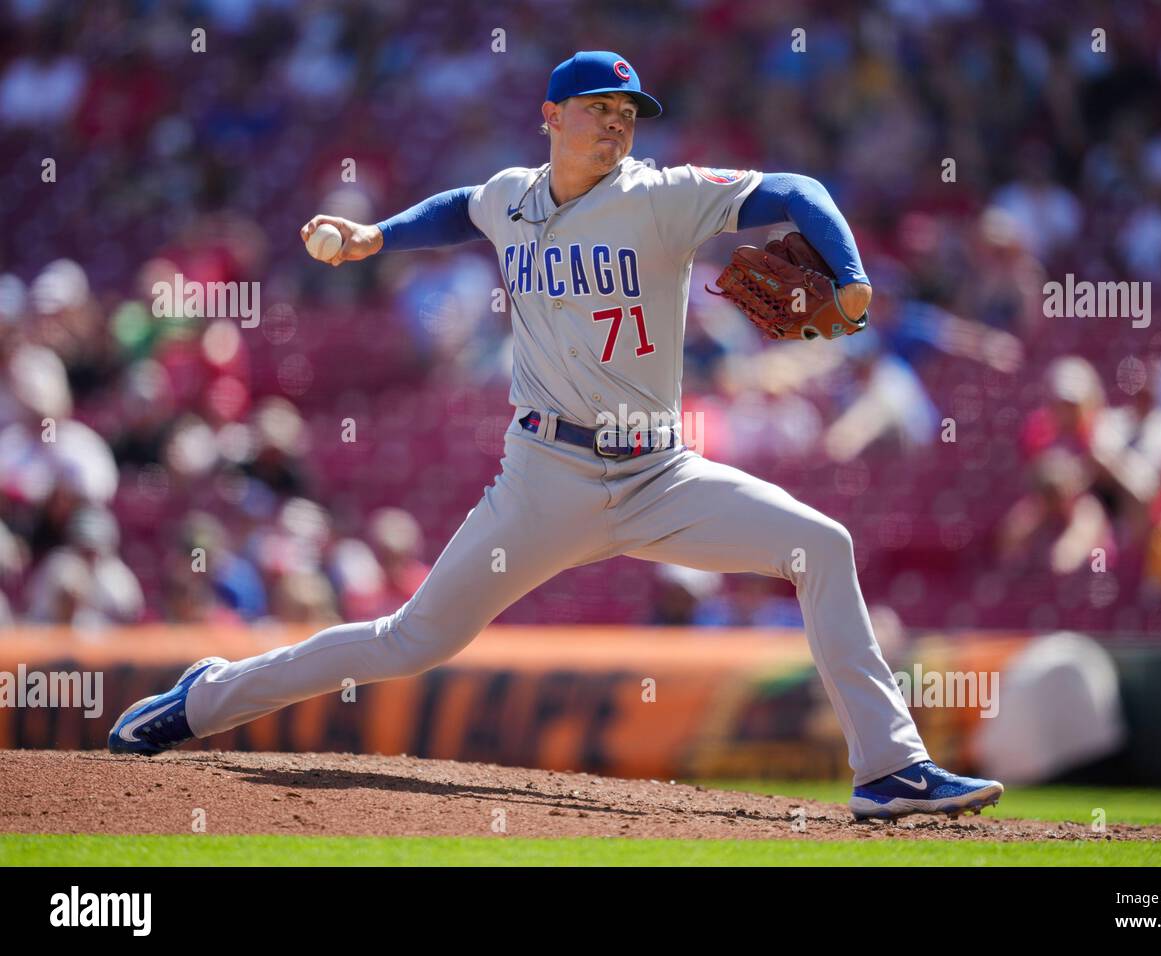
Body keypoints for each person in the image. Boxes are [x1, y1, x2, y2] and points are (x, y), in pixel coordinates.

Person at [109, 51, 1002, 821]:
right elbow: (465, 206)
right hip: (545, 477)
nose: (616, 126)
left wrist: (846, 275)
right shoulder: (514, 197)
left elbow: (798, 192)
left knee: (821, 543)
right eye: (598, 111)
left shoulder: (663, 198)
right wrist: (373, 236)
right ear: (551, 117)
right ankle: (207, 698)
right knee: (408, 642)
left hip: (662, 475)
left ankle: (888, 770)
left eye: (628, 114)